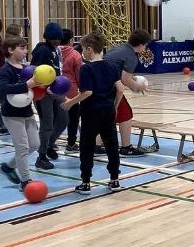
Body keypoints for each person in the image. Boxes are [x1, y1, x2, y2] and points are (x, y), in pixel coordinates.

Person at [61, 33, 125, 195]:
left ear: (89, 49)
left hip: (91, 113)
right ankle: (115, 180)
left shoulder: (86, 68)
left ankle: (86, 182)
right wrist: (115, 107)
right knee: (111, 145)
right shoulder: (111, 66)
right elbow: (120, 89)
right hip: (108, 111)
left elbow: (87, 92)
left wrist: (70, 102)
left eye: (83, 49)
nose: (82, 52)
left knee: (87, 147)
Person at [0, 36, 43, 191]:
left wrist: (43, 86)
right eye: (22, 48)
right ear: (10, 50)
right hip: (11, 115)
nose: (25, 51)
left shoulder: (26, 68)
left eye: (26, 47)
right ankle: (26, 180)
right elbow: (3, 89)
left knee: (35, 144)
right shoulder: (5, 70)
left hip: (27, 112)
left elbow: (33, 88)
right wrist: (26, 85)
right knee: (22, 147)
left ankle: (8, 167)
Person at [103, 29, 153, 157]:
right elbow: (125, 80)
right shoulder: (131, 56)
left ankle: (96, 145)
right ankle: (126, 147)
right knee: (125, 114)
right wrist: (139, 86)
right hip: (109, 85)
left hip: (100, 83)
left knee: (107, 116)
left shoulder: (120, 48)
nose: (145, 47)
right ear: (141, 44)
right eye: (146, 45)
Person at [31, 22, 68, 170]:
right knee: (47, 123)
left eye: (58, 38)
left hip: (56, 89)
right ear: (47, 37)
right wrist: (44, 88)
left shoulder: (56, 50)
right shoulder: (42, 51)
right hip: (44, 93)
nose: (57, 41)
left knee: (64, 119)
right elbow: (34, 72)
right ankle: (41, 156)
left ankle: (48, 144)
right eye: (53, 38)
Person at [60, 28, 84, 152]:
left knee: (54, 118)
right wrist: (83, 89)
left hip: (55, 91)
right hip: (71, 92)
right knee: (73, 119)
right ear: (71, 40)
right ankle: (71, 143)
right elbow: (79, 74)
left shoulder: (54, 52)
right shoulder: (75, 55)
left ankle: (50, 142)